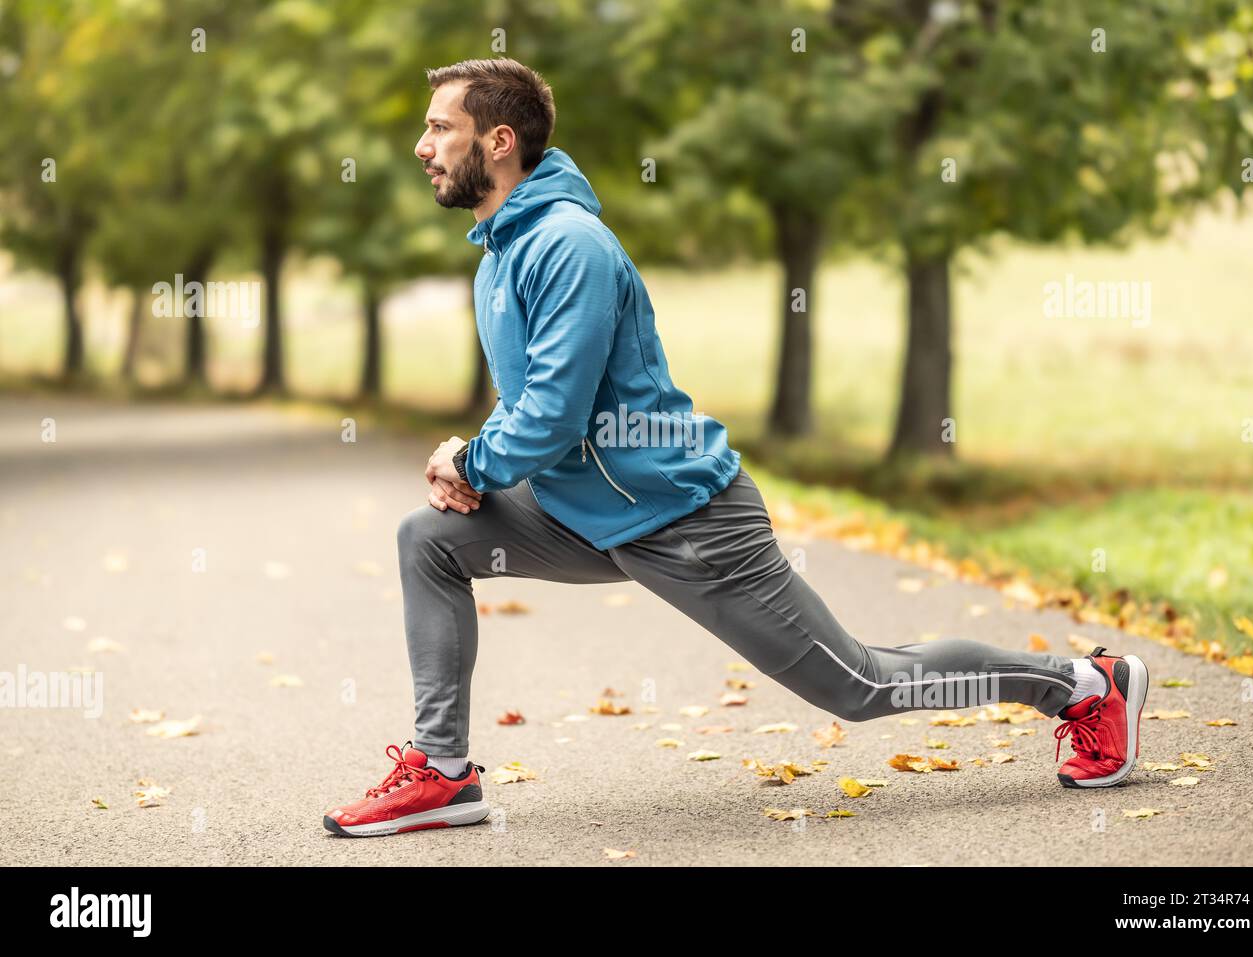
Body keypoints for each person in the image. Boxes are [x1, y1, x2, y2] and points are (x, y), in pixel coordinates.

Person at [323, 58, 1149, 838]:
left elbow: (556, 413)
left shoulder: (567, 244)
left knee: (859, 684)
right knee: (430, 539)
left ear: (498, 141)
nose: (423, 147)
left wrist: (470, 461)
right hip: (586, 509)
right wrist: (471, 457)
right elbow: (530, 396)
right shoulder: (501, 251)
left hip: (685, 518)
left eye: (440, 128)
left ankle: (1084, 685)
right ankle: (443, 770)